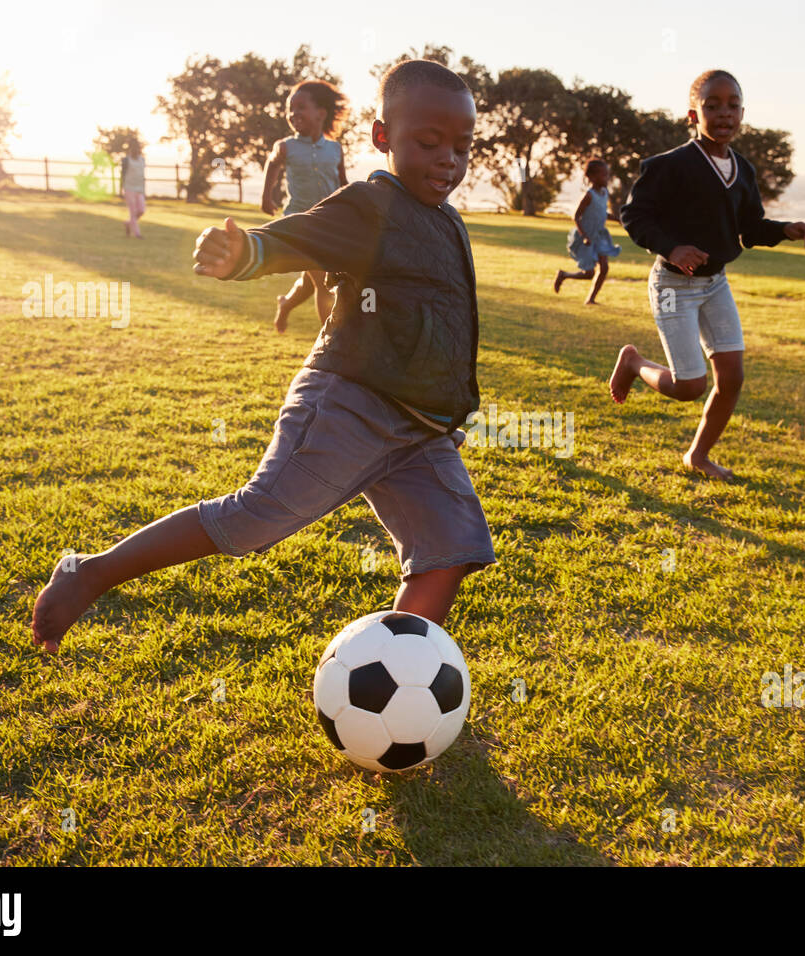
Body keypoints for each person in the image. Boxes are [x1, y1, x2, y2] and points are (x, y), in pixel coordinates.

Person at [32, 60, 493, 653]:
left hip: (421, 429)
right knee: (257, 517)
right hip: (351, 402)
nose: (448, 160)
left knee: (448, 549)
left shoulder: (449, 221)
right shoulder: (370, 207)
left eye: (462, 146)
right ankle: (91, 571)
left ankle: (405, 668)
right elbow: (299, 235)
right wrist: (245, 252)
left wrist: (445, 412)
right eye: (429, 143)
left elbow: (449, 325)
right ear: (383, 138)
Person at [609, 69, 805, 480]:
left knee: (732, 377)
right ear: (693, 114)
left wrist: (786, 230)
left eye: (733, 105)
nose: (724, 113)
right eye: (713, 105)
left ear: (743, 112)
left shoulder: (743, 169)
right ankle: (634, 363)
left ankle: (698, 456)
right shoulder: (670, 165)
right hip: (672, 285)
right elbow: (633, 215)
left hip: (714, 284)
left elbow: (751, 228)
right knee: (689, 386)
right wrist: (672, 247)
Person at [261, 80, 349, 332]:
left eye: (300, 107)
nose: (293, 114)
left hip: (330, 224)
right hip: (300, 224)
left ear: (321, 113)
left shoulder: (335, 149)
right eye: (290, 109)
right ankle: (330, 342)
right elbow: (273, 165)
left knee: (311, 283)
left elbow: (343, 183)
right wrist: (267, 196)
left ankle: (286, 304)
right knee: (324, 283)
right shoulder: (286, 146)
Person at [554, 158, 621, 305]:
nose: (607, 178)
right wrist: (584, 236)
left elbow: (601, 213)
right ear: (592, 177)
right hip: (586, 236)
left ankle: (591, 299)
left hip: (599, 235)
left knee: (604, 268)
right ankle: (564, 275)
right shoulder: (589, 195)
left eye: (607, 174)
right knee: (589, 273)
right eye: (603, 175)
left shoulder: (604, 193)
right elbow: (576, 216)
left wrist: (617, 219)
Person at [120, 141, 146, 238]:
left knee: (141, 210)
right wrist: (121, 189)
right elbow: (122, 175)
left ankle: (128, 223)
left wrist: (144, 189)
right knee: (133, 211)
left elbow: (142, 175)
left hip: (139, 189)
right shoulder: (126, 160)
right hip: (129, 188)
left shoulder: (142, 160)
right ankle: (137, 234)